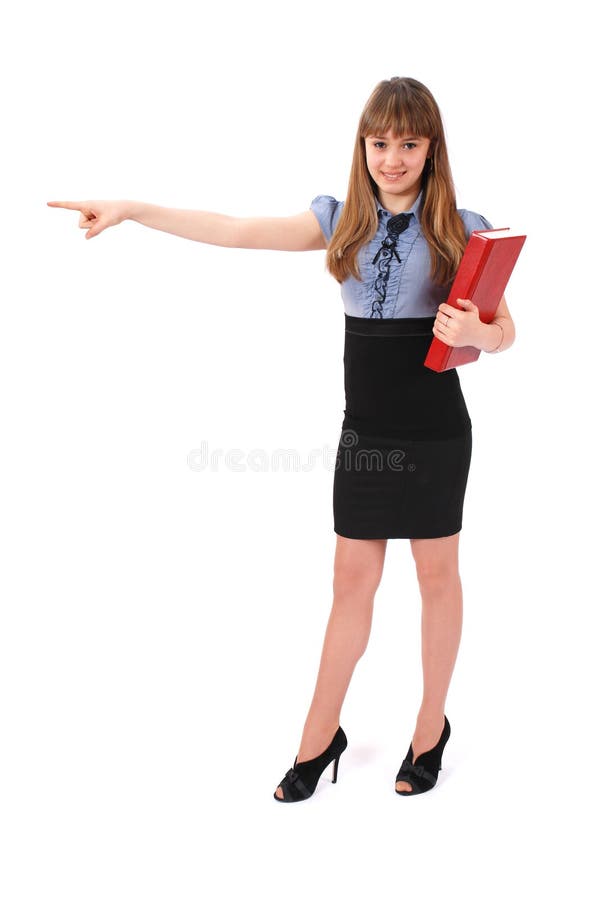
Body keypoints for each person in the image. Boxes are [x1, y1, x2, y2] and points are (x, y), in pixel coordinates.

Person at [47, 75, 515, 802]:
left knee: (436, 578)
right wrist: (134, 210)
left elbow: (505, 331)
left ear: (432, 148)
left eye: (409, 143)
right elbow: (234, 230)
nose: (393, 158)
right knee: (350, 585)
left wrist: (478, 332)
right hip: (367, 432)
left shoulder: (461, 224)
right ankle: (319, 735)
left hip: (436, 431)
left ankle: (430, 730)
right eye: (380, 142)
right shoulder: (341, 220)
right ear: (363, 145)